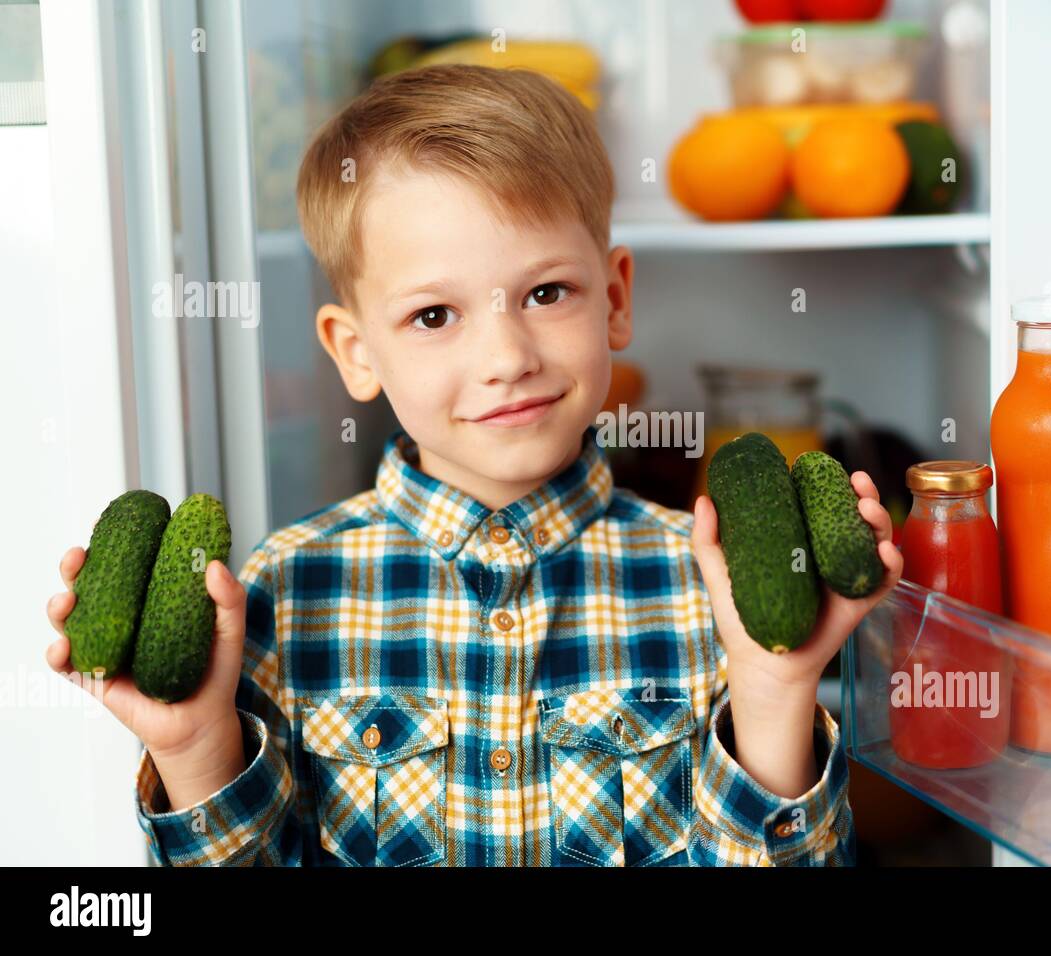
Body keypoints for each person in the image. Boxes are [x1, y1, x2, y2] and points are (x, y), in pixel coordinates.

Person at [45, 64, 901, 866]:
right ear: (356, 352)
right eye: (433, 315)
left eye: (544, 293)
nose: (506, 356)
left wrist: (774, 688)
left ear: (615, 299)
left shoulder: (707, 585)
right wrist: (194, 749)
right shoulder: (285, 588)